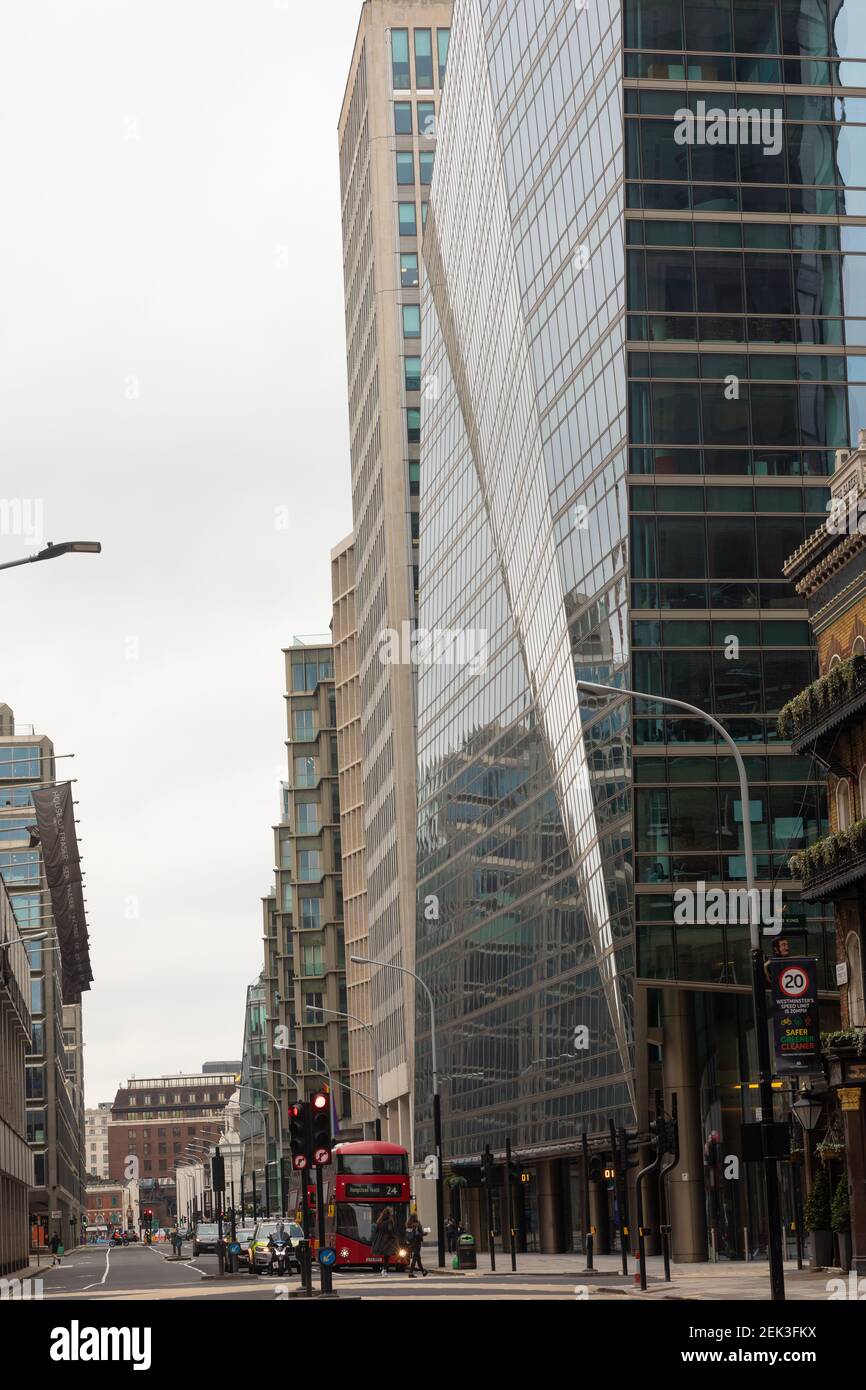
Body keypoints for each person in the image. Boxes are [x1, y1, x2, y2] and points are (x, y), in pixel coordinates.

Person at [370, 1205, 399, 1275]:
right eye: (391, 1212)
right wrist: (394, 1237)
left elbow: (376, 1230)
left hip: (380, 1240)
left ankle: (384, 1269)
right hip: (387, 1240)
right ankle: (384, 1270)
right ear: (389, 1213)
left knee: (386, 1256)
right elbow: (390, 1230)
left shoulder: (380, 1221)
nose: (392, 1213)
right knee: (389, 1255)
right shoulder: (389, 1221)